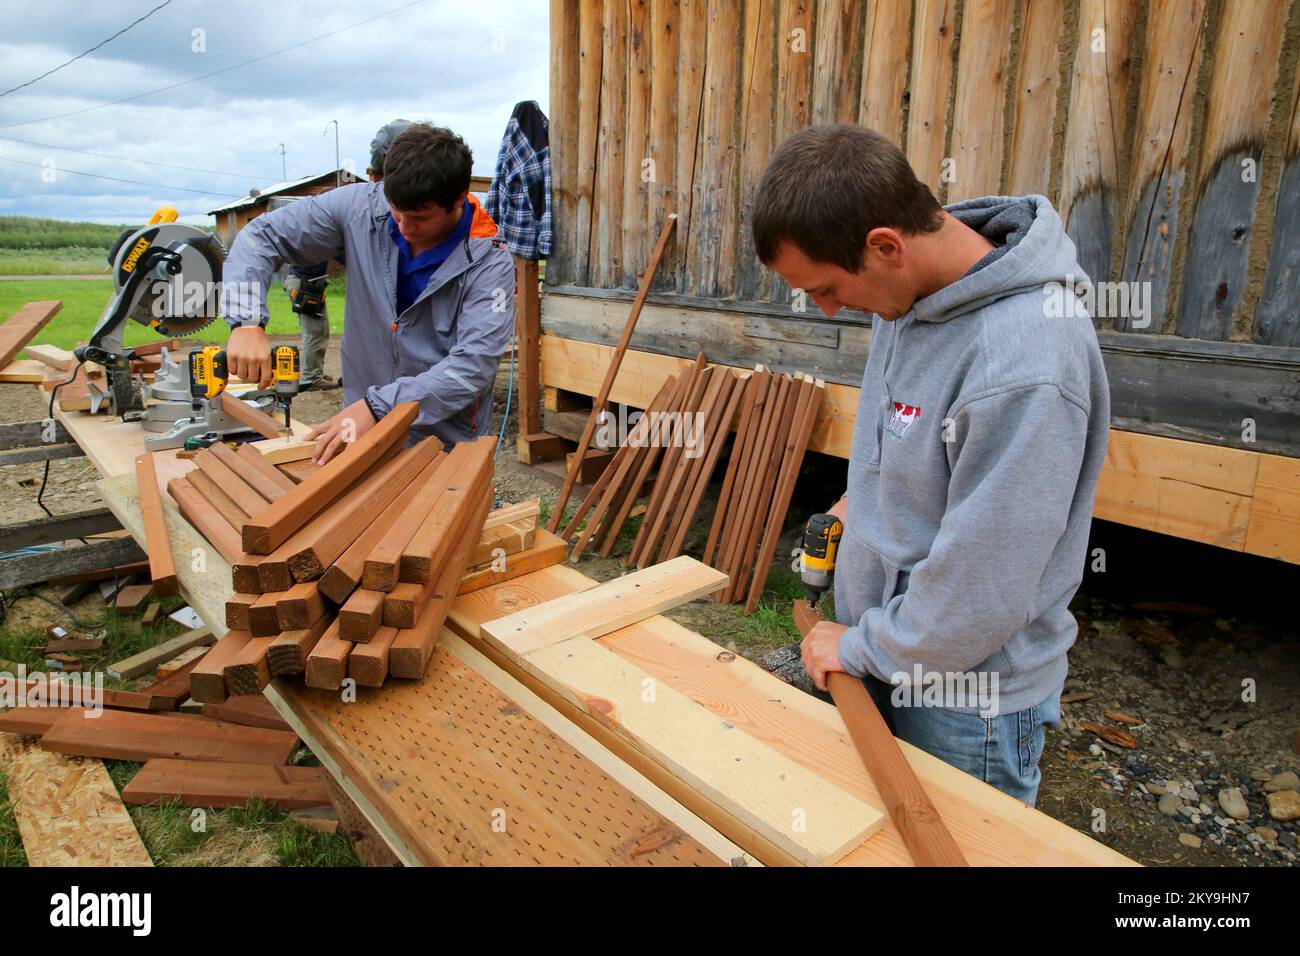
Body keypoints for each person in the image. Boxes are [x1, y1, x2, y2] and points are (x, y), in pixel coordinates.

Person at [751, 125, 1110, 805]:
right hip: (890, 650)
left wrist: (859, 650)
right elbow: (910, 440)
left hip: (965, 699)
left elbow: (984, 584)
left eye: (827, 288)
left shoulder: (1028, 361)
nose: (827, 309)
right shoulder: (908, 295)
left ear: (885, 244)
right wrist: (860, 505)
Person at [221, 123, 513, 464]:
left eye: (419, 217)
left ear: (460, 199)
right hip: (359, 425)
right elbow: (260, 237)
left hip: (442, 441)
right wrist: (246, 321)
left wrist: (379, 406)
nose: (403, 227)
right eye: (396, 211)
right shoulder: (359, 208)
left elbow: (472, 367)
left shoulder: (490, 262)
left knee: (438, 515)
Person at [282, 260, 339, 390]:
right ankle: (311, 379)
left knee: (318, 331)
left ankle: (314, 372)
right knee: (315, 333)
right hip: (305, 284)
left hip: (305, 283)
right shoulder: (316, 241)